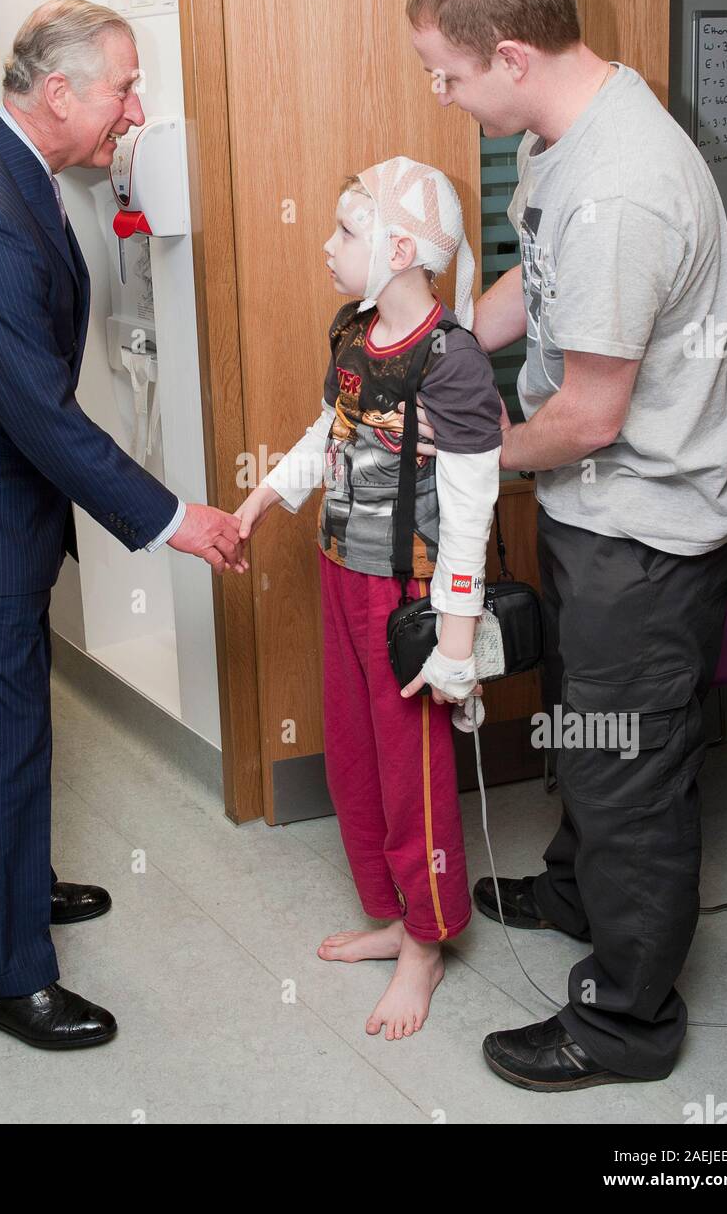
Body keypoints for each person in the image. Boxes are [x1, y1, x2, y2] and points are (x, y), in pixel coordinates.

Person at [405, 0, 727, 1089]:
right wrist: (440, 346)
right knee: (583, 724)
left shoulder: (621, 187)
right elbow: (539, 276)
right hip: (593, 508)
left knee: (627, 774)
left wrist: (466, 451)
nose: (440, 94)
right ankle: (576, 888)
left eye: (447, 75)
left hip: (644, 525)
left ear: (510, 56)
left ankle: (624, 1022)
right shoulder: (567, 127)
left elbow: (589, 417)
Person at [0, 0, 247, 1050]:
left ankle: (18, 887)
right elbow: (36, 411)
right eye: (123, 88)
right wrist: (170, 517)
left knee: (7, 733)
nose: (134, 110)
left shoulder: (6, 165)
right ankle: (4, 978)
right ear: (59, 93)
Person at [237, 156, 503, 1040]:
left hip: (407, 594)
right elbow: (330, 431)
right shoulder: (353, 331)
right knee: (353, 757)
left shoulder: (451, 362)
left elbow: (469, 513)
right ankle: (393, 916)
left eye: (347, 231)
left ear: (397, 250)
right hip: (339, 570)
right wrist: (263, 498)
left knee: (412, 773)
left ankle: (427, 942)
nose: (327, 245)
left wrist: (455, 645)